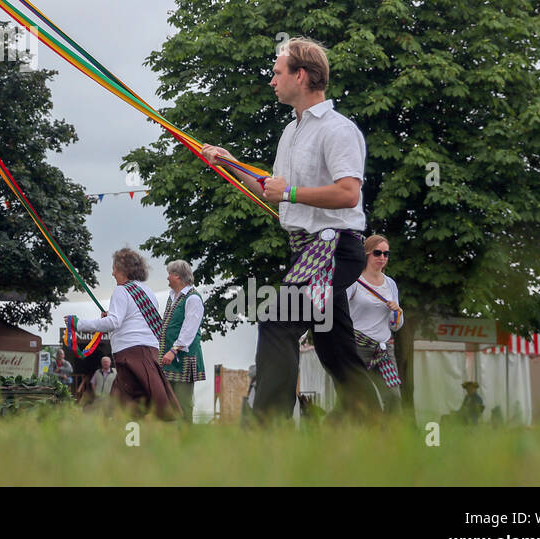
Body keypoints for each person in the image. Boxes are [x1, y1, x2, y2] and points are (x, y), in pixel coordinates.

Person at [202, 37, 379, 421]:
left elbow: (349, 194)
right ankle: (380, 427)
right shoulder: (290, 133)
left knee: (276, 320)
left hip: (333, 248)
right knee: (336, 351)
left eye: (277, 73)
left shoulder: (339, 130)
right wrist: (230, 163)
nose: (272, 81)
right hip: (306, 251)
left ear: (301, 76)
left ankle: (268, 431)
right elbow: (274, 194)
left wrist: (292, 191)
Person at [74, 248, 182, 420]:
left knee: (130, 406)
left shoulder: (121, 291)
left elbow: (113, 322)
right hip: (149, 354)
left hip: (131, 356)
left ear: (123, 269)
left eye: (115, 268)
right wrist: (112, 315)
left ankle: (137, 440)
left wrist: (78, 324)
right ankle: (136, 441)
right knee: (132, 403)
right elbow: (132, 319)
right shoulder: (147, 292)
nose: (112, 272)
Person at [348, 235, 403, 412]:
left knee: (394, 397)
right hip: (358, 347)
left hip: (384, 348)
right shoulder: (354, 281)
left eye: (386, 254)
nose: (382, 258)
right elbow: (341, 313)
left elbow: (395, 325)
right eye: (377, 253)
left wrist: (397, 312)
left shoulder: (390, 284)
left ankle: (391, 437)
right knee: (356, 397)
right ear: (367, 254)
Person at [159, 260, 206, 424]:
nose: (167, 278)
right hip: (170, 358)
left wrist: (173, 350)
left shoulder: (193, 298)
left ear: (178, 276)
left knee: (184, 403)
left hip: (183, 358)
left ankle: (186, 439)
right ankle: (171, 439)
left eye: (170, 274)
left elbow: (189, 329)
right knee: (169, 403)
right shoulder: (173, 297)